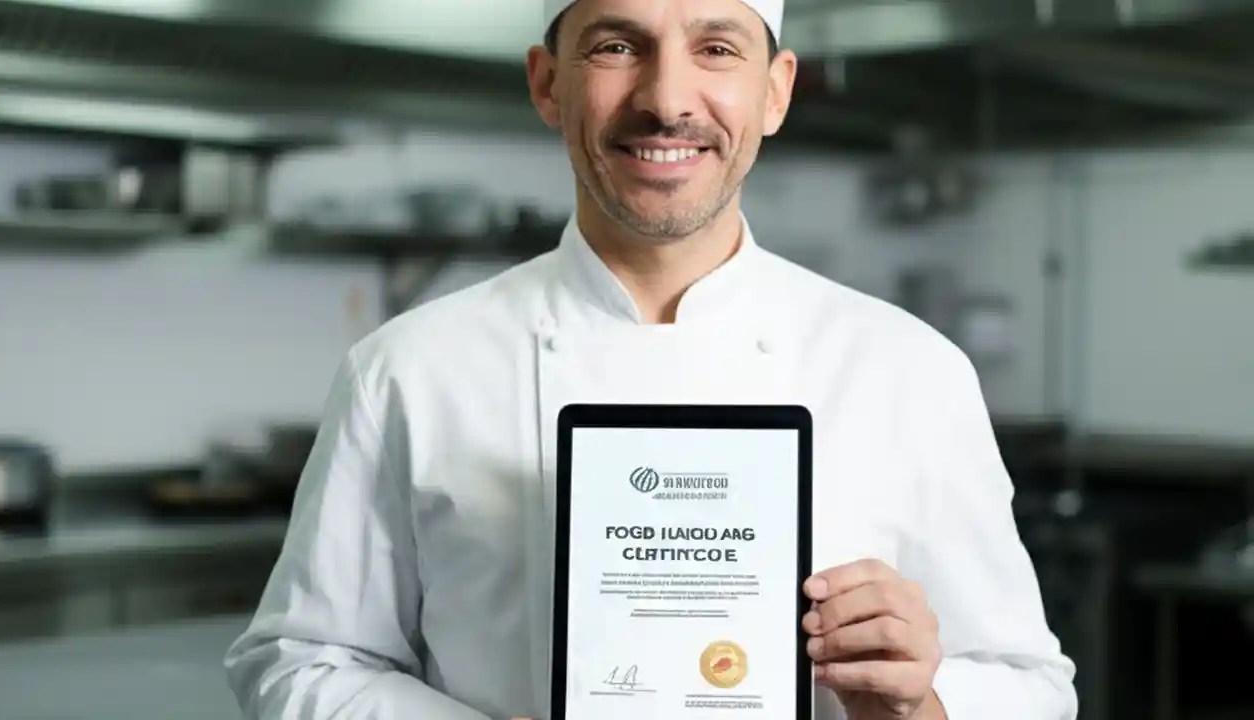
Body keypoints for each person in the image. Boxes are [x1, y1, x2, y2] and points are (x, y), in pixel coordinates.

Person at [224, 0, 1078, 717]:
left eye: (716, 48)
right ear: (547, 83)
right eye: (616, 45)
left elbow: (1031, 686)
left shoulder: (907, 369)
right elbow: (298, 662)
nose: (668, 99)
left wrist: (919, 705)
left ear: (775, 91)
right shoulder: (408, 368)